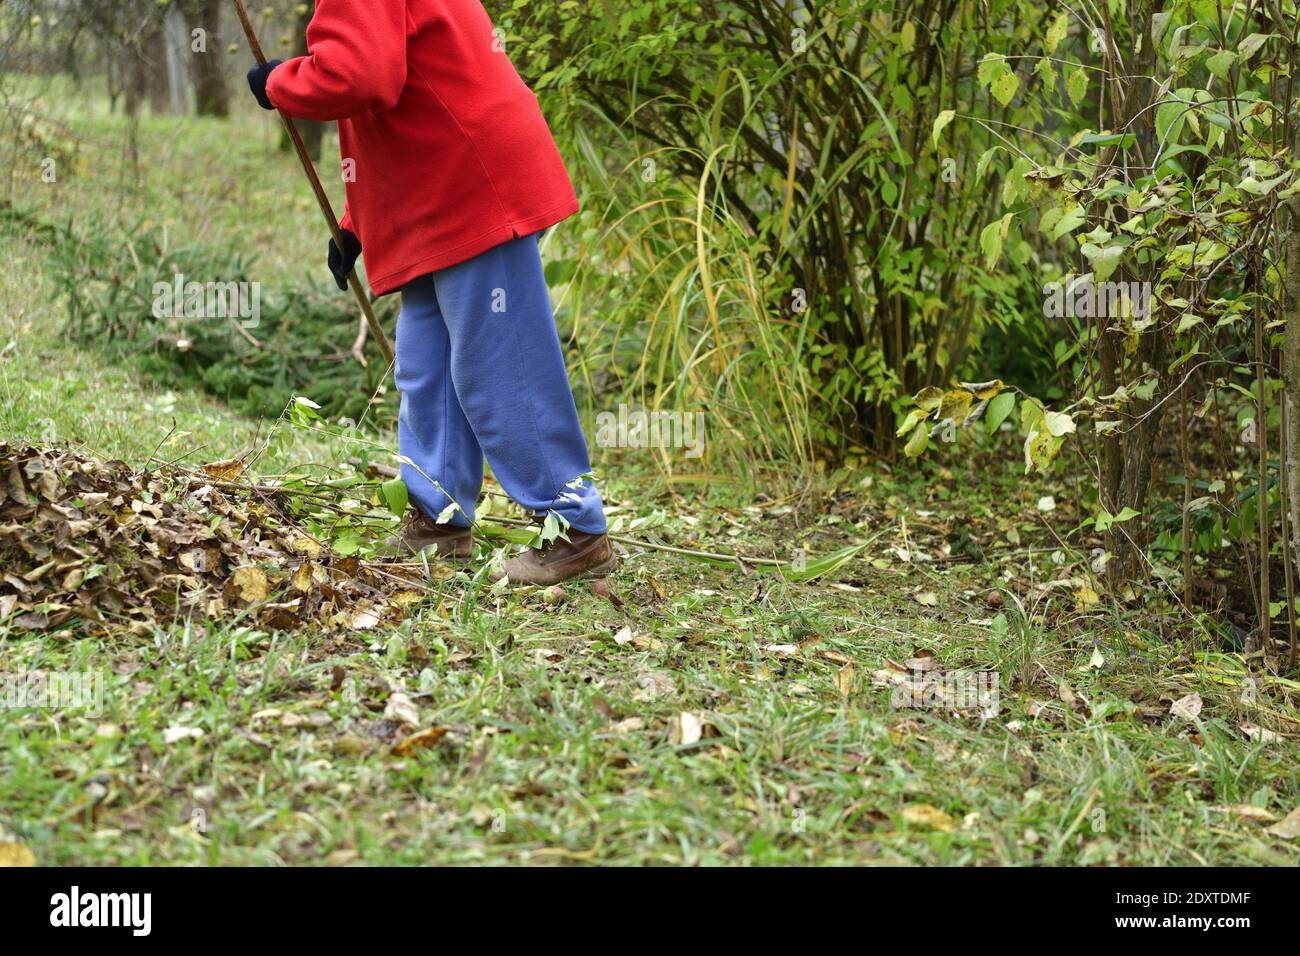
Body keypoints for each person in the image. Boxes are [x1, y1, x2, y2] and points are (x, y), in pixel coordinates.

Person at [245, 0, 614, 586]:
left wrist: (280, 83)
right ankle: (439, 521)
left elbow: (360, 77)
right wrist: (356, 222)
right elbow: (406, 98)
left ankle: (573, 530)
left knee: (501, 366)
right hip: (443, 188)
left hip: (472, 185)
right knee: (428, 366)